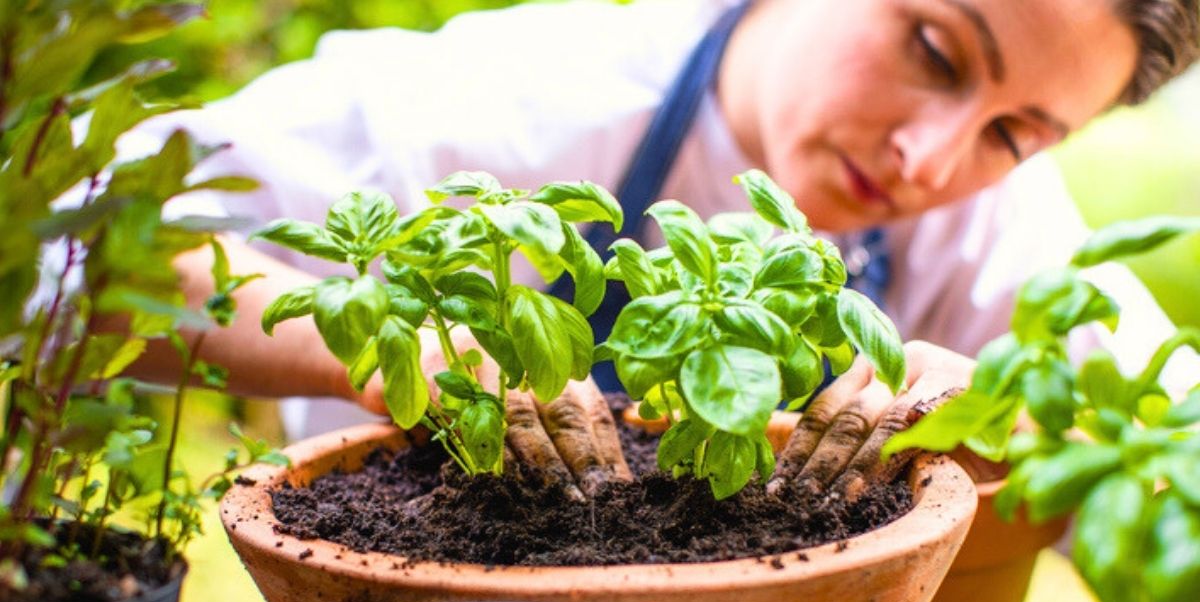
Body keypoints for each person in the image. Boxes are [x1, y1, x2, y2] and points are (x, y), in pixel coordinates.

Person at [122, 0, 1200, 495]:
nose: (930, 157)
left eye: (1018, 132)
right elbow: (68, 242)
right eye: (933, 47)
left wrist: (1006, 408)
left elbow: (1177, 437)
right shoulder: (526, 98)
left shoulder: (997, 218)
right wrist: (369, 350)